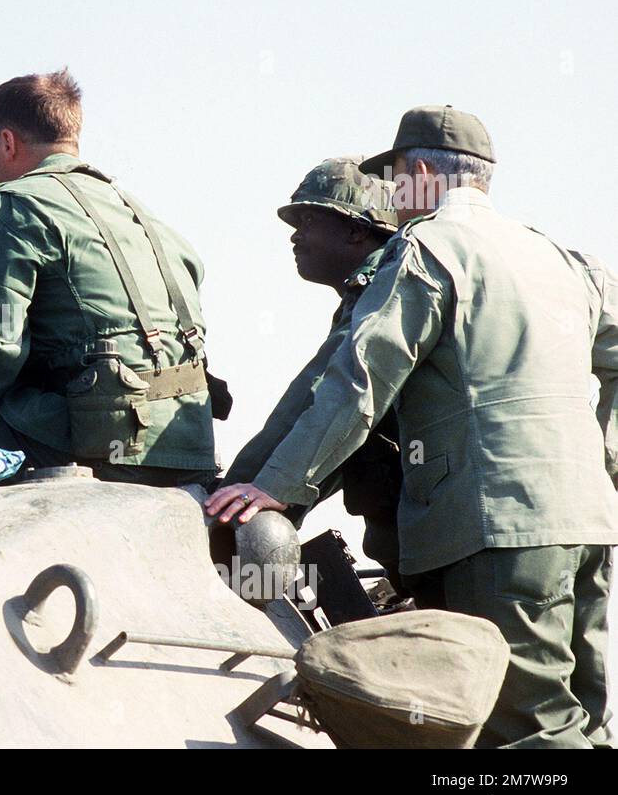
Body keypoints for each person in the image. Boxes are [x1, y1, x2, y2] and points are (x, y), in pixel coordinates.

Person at [208, 105, 618, 748]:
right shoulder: (564, 258)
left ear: (423, 174)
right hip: (589, 522)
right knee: (586, 721)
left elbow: (359, 381)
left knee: (522, 731)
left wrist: (278, 489)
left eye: (397, 179)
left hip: (496, 527)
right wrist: (604, 456)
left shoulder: (426, 249)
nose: (393, 197)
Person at [0, 70, 217, 487]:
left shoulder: (14, 204)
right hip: (189, 447)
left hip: (100, 444)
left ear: (7, 143)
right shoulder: (137, 212)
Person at [221, 157, 404, 587]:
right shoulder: (368, 294)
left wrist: (243, 494)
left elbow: (321, 402)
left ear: (356, 230)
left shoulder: (381, 295)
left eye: (307, 219)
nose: (295, 235)